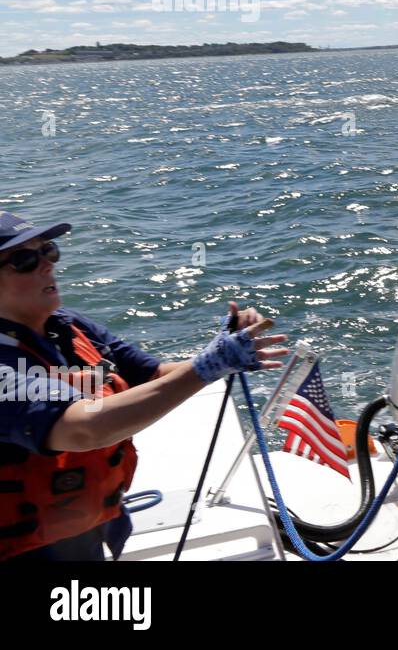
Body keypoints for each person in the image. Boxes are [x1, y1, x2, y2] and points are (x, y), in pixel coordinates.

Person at [0, 211, 288, 560]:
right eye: (25, 260)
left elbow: (152, 375)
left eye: (48, 250)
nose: (47, 265)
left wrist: (230, 349)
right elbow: (84, 428)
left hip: (89, 526)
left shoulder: (68, 326)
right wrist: (207, 366)